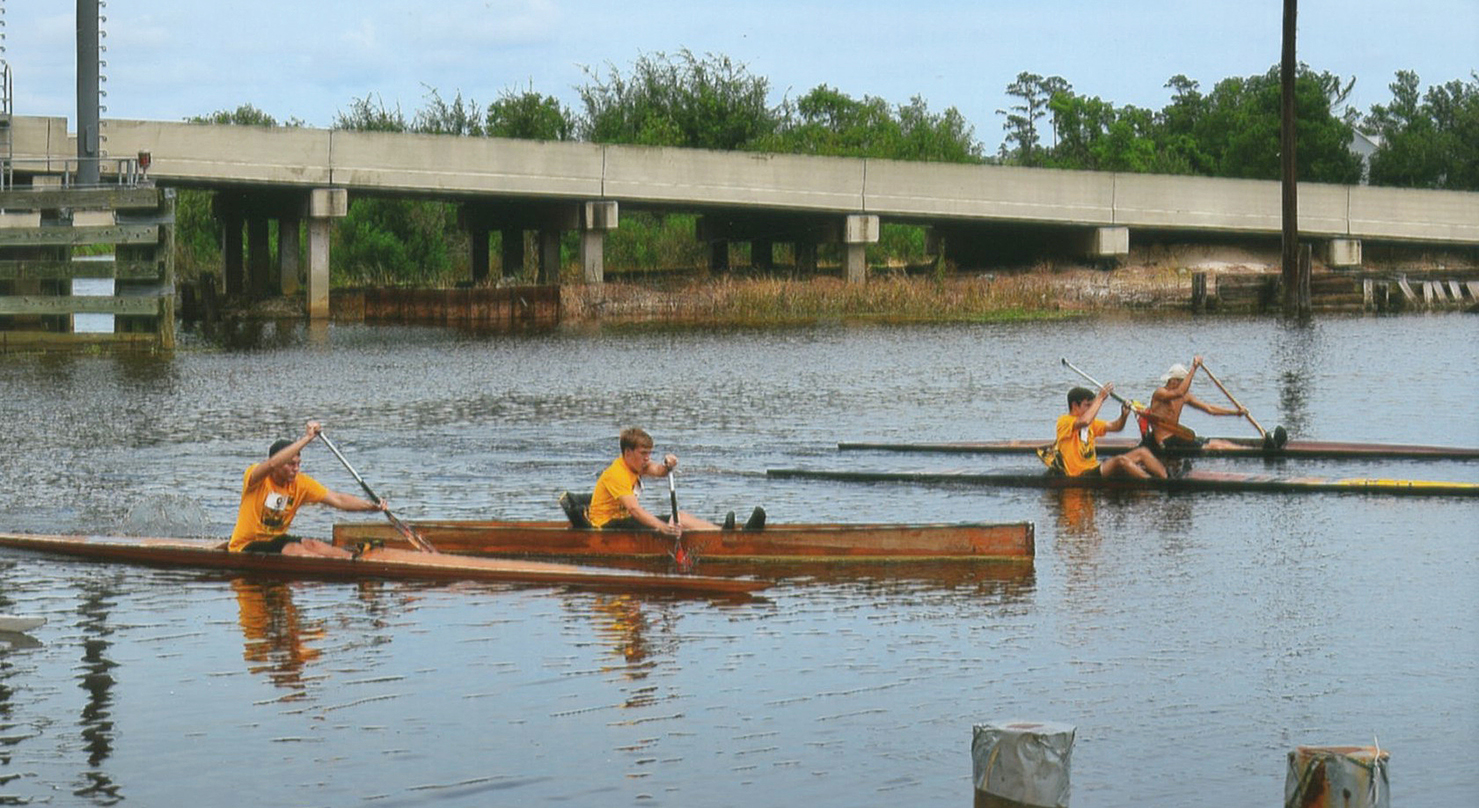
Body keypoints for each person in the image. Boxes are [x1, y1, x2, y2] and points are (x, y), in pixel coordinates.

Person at [228, 421, 387, 556]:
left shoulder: (300, 483)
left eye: (298, 464)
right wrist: (308, 438)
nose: (296, 469)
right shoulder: (257, 476)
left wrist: (372, 506)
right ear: (278, 464)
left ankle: (354, 559)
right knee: (295, 549)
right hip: (245, 546)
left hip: (276, 541)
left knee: (314, 544)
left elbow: (338, 499)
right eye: (290, 464)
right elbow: (272, 464)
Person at [587, 427, 759, 534]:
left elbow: (659, 471)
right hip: (606, 527)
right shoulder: (616, 474)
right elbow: (634, 510)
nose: (647, 458)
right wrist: (662, 528)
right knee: (676, 521)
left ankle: (724, 533)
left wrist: (668, 464)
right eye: (643, 453)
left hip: (622, 520)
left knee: (679, 517)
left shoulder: (635, 465)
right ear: (628, 453)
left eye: (649, 453)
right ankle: (724, 537)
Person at [1050, 385, 1167, 479]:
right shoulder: (1064, 421)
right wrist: (1100, 398)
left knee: (1142, 452)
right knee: (1120, 461)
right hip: (1080, 474)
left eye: (1091, 405)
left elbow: (1116, 427)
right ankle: (1151, 483)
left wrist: (1124, 415)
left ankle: (1166, 478)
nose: (1091, 409)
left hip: (1094, 467)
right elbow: (1084, 421)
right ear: (1075, 405)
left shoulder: (1092, 422)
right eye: (1087, 405)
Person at [1140, 357, 1246, 455]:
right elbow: (1179, 392)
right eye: (1177, 381)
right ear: (1172, 380)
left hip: (1177, 436)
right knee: (1214, 446)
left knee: (1219, 442)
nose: (1181, 384)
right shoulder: (1160, 393)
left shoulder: (1185, 396)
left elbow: (1209, 409)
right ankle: (1246, 452)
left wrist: (1235, 412)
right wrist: (1194, 367)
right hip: (1164, 441)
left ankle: (1246, 450)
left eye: (1182, 381)